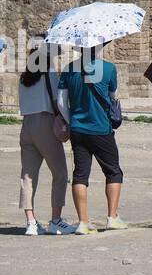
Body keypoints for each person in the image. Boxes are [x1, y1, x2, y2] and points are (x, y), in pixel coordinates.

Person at [59, 45, 127, 233]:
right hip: (101, 128)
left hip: (78, 129)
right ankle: (112, 217)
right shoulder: (108, 68)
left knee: (80, 174)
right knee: (113, 171)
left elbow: (61, 102)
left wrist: (70, 120)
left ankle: (83, 221)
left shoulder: (68, 69)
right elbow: (113, 96)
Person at [18, 41, 74, 235]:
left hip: (27, 125)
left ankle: (31, 222)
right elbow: (58, 100)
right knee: (60, 173)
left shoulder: (24, 77)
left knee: (28, 175)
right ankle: (56, 219)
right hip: (44, 121)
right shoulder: (49, 72)